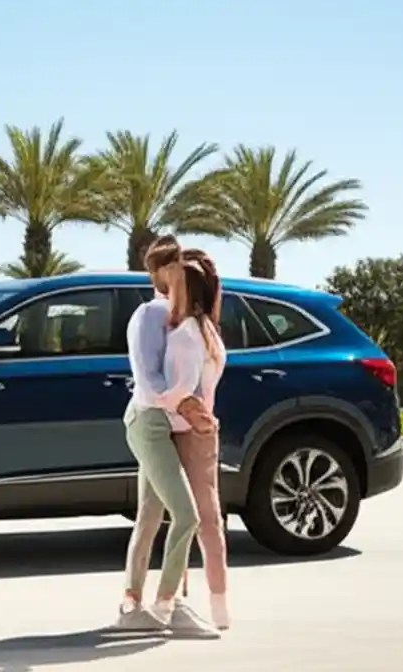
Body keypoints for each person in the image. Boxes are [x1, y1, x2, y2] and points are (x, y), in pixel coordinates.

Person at [114, 237, 219, 636]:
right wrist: (188, 405)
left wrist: (194, 407)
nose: (178, 272)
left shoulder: (182, 319)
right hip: (151, 422)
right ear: (160, 273)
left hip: (168, 423)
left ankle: (132, 603)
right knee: (186, 515)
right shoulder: (148, 315)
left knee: (151, 516)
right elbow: (150, 379)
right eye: (172, 266)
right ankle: (164, 605)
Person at [170, 249, 230, 630]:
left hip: (182, 431)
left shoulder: (184, 337)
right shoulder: (211, 333)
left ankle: (174, 598)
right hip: (206, 431)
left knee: (186, 518)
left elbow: (180, 390)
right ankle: (218, 603)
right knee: (209, 517)